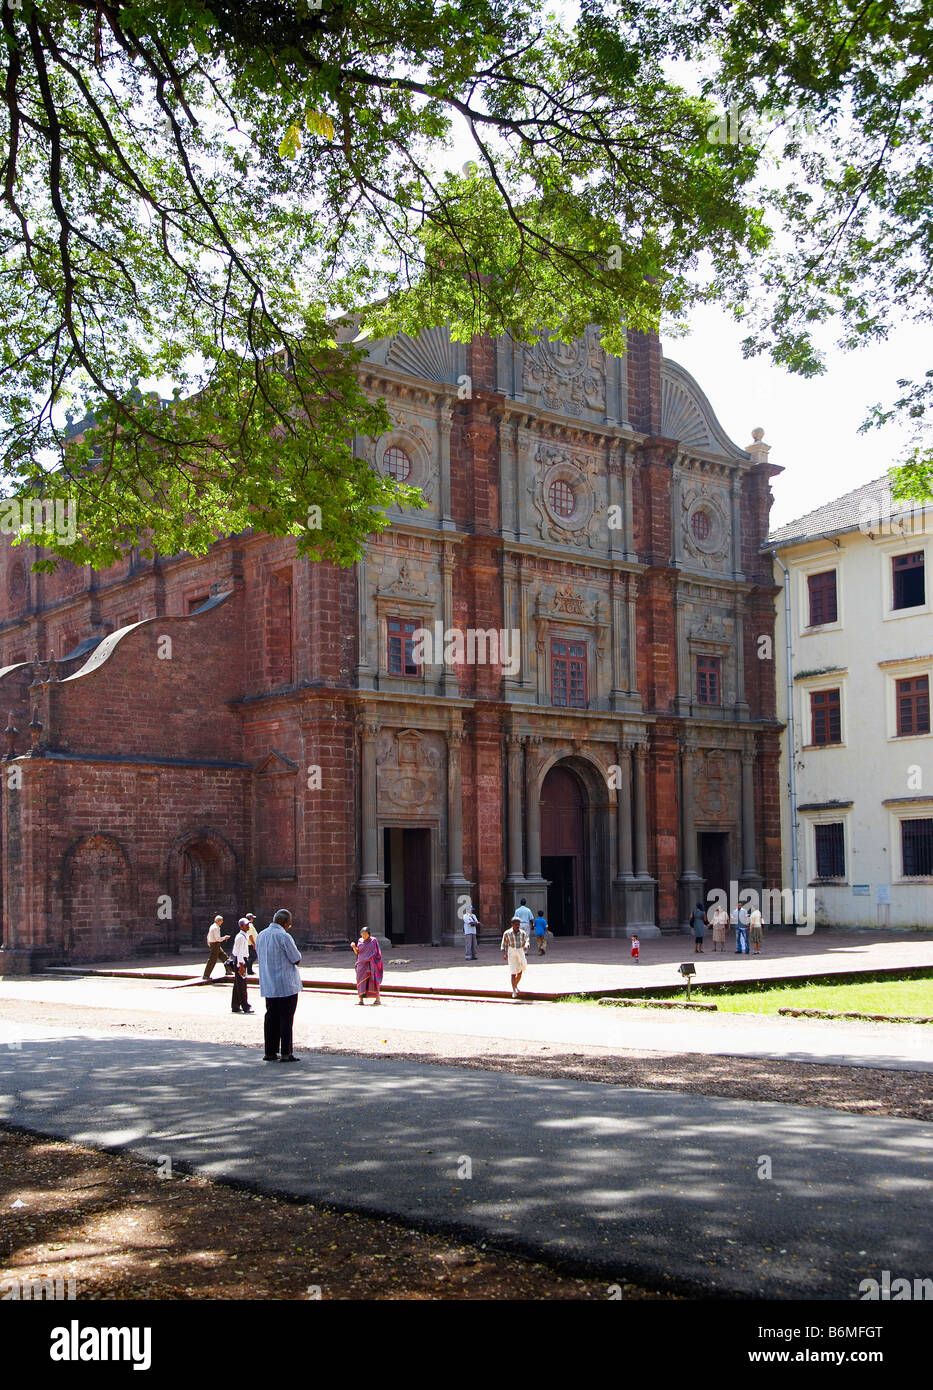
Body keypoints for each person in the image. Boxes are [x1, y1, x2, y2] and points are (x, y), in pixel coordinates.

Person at [255, 908, 302, 1062]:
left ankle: (270, 1051)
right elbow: (296, 958)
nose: (290, 925)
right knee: (286, 1019)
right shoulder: (284, 936)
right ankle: (286, 1053)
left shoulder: (261, 935)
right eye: (289, 923)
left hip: (269, 983)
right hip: (286, 984)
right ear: (285, 922)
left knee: (271, 1017)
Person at [352, 926, 384, 1004]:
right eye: (362, 934)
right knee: (360, 981)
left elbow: (376, 952)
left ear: (369, 934)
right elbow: (358, 952)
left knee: (373, 981)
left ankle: (377, 999)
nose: (364, 935)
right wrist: (353, 947)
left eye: (365, 934)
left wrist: (370, 958)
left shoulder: (373, 940)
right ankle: (361, 999)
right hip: (361, 964)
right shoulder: (360, 940)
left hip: (371, 964)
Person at [501, 914, 529, 998]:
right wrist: (505, 954)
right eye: (516, 924)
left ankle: (515, 985)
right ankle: (514, 990)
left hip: (520, 951)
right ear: (512, 924)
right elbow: (504, 944)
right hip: (512, 951)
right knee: (513, 972)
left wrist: (526, 945)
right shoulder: (507, 933)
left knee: (521, 970)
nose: (517, 926)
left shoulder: (522, 933)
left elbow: (526, 940)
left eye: (518, 924)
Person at [230, 920, 254, 1014]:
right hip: (241, 961)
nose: (248, 926)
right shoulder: (241, 937)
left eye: (248, 925)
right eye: (246, 925)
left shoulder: (243, 936)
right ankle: (245, 1006)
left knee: (237, 985)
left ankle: (235, 1005)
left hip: (241, 960)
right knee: (242, 985)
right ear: (241, 927)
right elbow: (239, 953)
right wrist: (241, 965)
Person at [202, 915, 229, 980]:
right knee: (212, 960)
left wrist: (209, 943)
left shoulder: (212, 926)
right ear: (219, 921)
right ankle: (206, 975)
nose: (222, 922)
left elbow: (208, 936)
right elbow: (217, 938)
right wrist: (224, 938)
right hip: (215, 944)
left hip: (214, 944)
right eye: (222, 921)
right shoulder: (216, 927)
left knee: (224, 957)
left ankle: (228, 970)